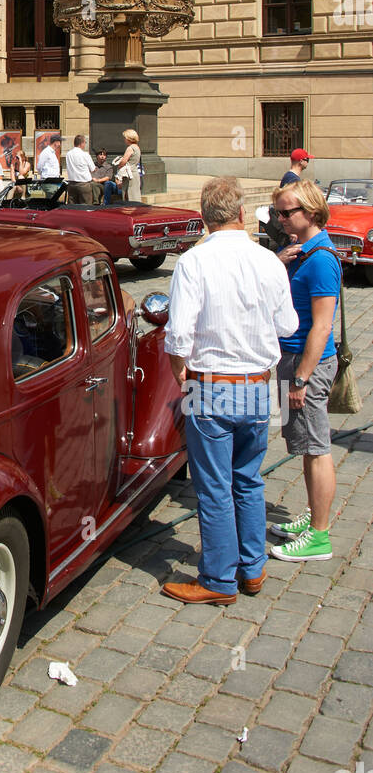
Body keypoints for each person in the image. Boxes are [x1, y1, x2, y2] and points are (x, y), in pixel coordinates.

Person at [162, 177, 299, 605]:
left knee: (215, 486)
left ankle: (219, 580)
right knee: (248, 479)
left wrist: (179, 375)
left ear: (205, 218)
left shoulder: (193, 262)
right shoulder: (269, 262)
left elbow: (178, 336)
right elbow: (288, 326)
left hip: (212, 385)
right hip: (258, 385)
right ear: (241, 215)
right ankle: (252, 569)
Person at [269, 179, 341, 563]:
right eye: (277, 212)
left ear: (310, 212)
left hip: (305, 364)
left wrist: (300, 379)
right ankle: (315, 515)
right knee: (304, 444)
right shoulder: (299, 252)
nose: (280, 219)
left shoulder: (321, 260)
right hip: (292, 360)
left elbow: (322, 326)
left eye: (286, 212)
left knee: (315, 448)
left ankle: (320, 536)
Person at [65, 134, 96, 205]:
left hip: (72, 184)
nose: (85, 144)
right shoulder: (85, 154)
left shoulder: (68, 154)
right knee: (86, 207)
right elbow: (93, 169)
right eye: (85, 142)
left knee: (72, 208)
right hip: (83, 184)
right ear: (81, 143)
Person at [115, 129, 142, 202]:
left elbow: (124, 161)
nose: (124, 139)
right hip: (135, 173)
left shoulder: (130, 148)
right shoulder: (137, 147)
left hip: (129, 175)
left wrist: (119, 166)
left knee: (129, 195)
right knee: (135, 194)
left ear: (129, 138)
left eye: (125, 138)